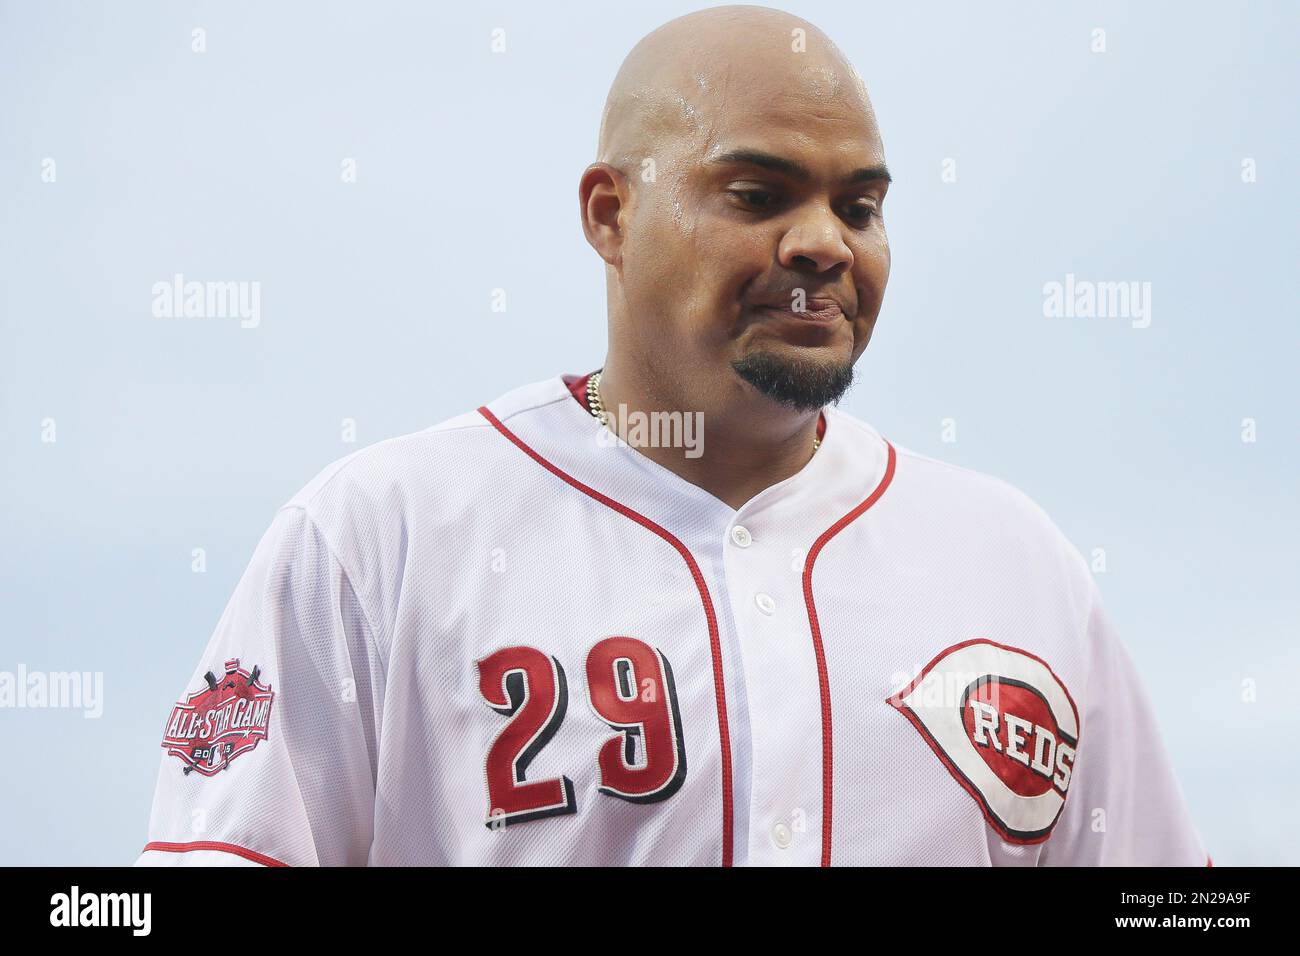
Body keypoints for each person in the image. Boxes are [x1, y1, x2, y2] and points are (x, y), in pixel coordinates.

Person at [136, 4, 1209, 866]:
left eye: (860, 205)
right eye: (757, 193)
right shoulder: (379, 536)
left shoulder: (1012, 560)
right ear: (610, 213)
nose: (823, 243)